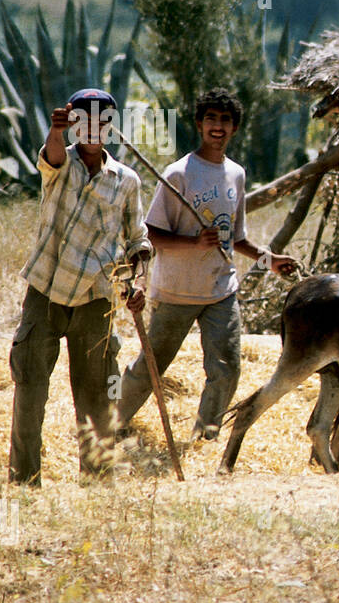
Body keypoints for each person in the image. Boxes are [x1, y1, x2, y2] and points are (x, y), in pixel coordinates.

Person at [117, 87, 296, 443]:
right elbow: (149, 234)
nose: (218, 126)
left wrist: (269, 260)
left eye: (225, 120)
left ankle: (206, 436)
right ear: (199, 125)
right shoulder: (179, 173)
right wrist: (193, 242)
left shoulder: (236, 174)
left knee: (226, 368)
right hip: (176, 290)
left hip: (220, 290)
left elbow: (236, 238)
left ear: (234, 128)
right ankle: (110, 424)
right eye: (211, 119)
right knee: (152, 367)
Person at [8, 88, 151, 486]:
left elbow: (137, 239)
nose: (93, 129)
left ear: (110, 126)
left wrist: (137, 282)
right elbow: (51, 154)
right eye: (83, 121)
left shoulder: (126, 181)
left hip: (95, 300)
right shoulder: (60, 164)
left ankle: (97, 483)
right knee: (31, 391)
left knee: (96, 398)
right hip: (45, 293)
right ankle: (24, 482)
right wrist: (55, 131)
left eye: (102, 122)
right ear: (73, 125)